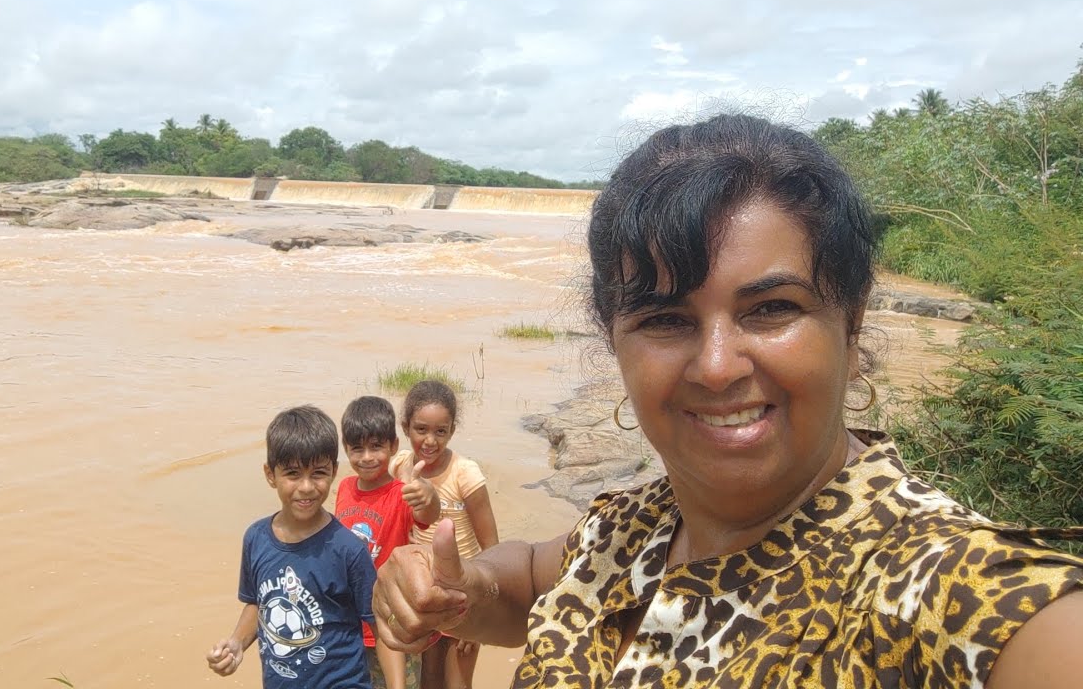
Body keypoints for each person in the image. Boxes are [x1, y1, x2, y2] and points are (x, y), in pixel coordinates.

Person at [371, 114, 1083, 688]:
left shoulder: (945, 590)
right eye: (664, 320)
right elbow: (527, 582)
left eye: (771, 308)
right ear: (613, 339)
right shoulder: (627, 530)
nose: (715, 368)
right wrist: (459, 593)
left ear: (853, 322)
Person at [207, 405, 379, 688]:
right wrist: (237, 643)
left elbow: (379, 628)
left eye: (319, 473)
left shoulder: (349, 549)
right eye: (293, 473)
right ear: (270, 474)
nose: (307, 487)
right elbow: (256, 602)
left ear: (334, 471)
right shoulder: (256, 538)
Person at [388, 380, 499, 689]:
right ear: (405, 427)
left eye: (441, 431)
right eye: (420, 429)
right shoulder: (398, 468)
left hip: (463, 597)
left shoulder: (465, 473)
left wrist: (482, 615)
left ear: (452, 430)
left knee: (457, 683)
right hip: (419, 595)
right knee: (427, 681)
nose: (430, 441)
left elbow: (491, 547)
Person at [336, 396, 441, 689]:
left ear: (393, 447)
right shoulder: (344, 487)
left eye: (376, 447)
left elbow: (428, 514)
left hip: (393, 619)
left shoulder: (401, 493)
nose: (367, 457)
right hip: (352, 621)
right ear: (346, 449)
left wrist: (428, 495)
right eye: (357, 448)